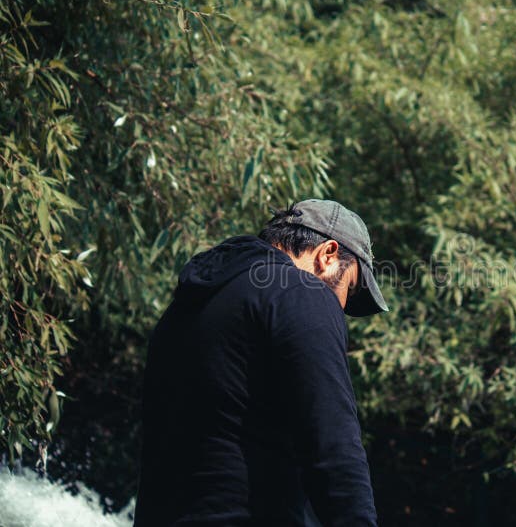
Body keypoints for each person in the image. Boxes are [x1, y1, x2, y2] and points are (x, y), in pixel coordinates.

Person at [133, 199, 388, 526]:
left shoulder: (189, 306)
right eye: (348, 289)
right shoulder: (302, 293)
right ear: (327, 254)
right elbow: (334, 445)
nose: (340, 307)